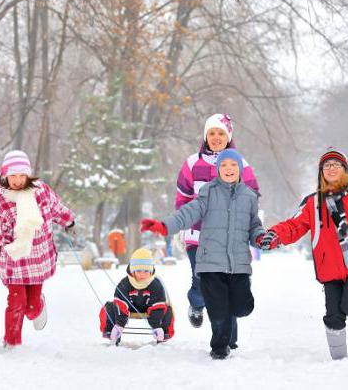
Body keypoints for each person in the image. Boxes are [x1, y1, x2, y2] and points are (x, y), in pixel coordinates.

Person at [259, 148, 348, 360]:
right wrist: (274, 235)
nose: (331, 169)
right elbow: (294, 226)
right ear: (321, 172)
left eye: (336, 165)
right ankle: (339, 364)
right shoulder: (312, 203)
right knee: (333, 318)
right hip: (328, 269)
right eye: (327, 165)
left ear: (345, 170)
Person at [142, 149, 263, 359]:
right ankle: (219, 349)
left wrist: (261, 237)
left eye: (233, 165)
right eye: (224, 165)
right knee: (218, 311)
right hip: (210, 262)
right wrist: (164, 226)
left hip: (238, 264)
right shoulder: (208, 192)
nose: (228, 169)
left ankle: (228, 326)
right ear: (217, 170)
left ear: (240, 169)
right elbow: (188, 213)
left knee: (243, 307)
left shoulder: (249, 197)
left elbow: (254, 226)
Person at [174, 113, 259, 349]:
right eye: (211, 133)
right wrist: (182, 226)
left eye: (221, 133)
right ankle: (196, 302)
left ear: (228, 136)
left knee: (228, 286)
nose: (216, 137)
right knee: (202, 283)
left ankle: (228, 339)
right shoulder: (193, 163)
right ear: (205, 136)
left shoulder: (241, 163)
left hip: (229, 240)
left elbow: (251, 196)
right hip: (198, 237)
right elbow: (183, 197)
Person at [0, 150, 76, 349]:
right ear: (5, 175)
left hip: (38, 260)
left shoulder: (41, 191)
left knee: (31, 308)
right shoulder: (1, 203)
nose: (17, 180)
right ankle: (12, 343)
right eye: (12, 176)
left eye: (21, 175)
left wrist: (69, 222)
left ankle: (38, 304)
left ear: (28, 175)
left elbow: (57, 207)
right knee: (17, 303)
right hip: (15, 263)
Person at [99, 248, 174, 344]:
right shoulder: (125, 283)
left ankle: (163, 333)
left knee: (167, 309)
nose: (142, 274)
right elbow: (120, 303)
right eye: (139, 271)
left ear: (151, 271)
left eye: (146, 271)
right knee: (109, 306)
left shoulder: (156, 284)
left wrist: (156, 326)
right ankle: (111, 331)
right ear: (132, 271)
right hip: (128, 309)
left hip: (150, 309)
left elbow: (158, 305)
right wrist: (119, 325)